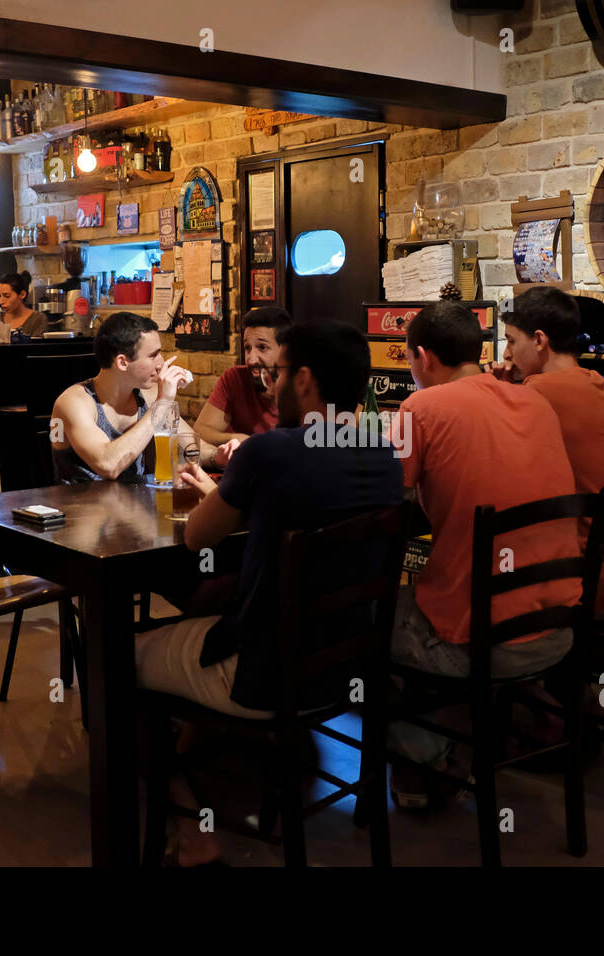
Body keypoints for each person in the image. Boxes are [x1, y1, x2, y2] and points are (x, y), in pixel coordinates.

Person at [137, 320, 404, 864]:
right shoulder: (384, 456)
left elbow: (195, 538)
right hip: (346, 667)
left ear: (304, 380)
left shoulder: (269, 453)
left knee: (116, 649)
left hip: (263, 675)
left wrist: (217, 493)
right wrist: (232, 494)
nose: (272, 385)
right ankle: (195, 749)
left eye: (279, 373)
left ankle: (187, 819)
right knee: (216, 605)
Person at [387, 300, 582, 809]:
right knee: (434, 589)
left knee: (370, 620)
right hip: (558, 627)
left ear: (422, 357)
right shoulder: (534, 401)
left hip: (488, 643)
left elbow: (390, 507)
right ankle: (470, 734)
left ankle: (422, 770)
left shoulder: (419, 408)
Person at [499, 286, 604, 618]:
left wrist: (497, 391)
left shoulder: (534, 394)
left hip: (581, 578)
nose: (507, 354)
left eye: (512, 340)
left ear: (539, 340)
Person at [50, 311, 223, 484]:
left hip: (134, 506)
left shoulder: (148, 395)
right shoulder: (74, 402)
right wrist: (162, 403)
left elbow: (190, 445)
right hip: (81, 508)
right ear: (122, 362)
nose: (161, 363)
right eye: (153, 355)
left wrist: (220, 456)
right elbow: (108, 465)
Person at [192, 306, 291, 445]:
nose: (251, 359)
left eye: (262, 347)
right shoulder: (235, 378)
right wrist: (236, 439)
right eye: (248, 348)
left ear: (284, 350)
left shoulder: (301, 385)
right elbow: (200, 432)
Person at [0, 270, 45, 342]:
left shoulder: (37, 319)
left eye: (7, 296)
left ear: (22, 294)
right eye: (0, 296)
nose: (1, 301)